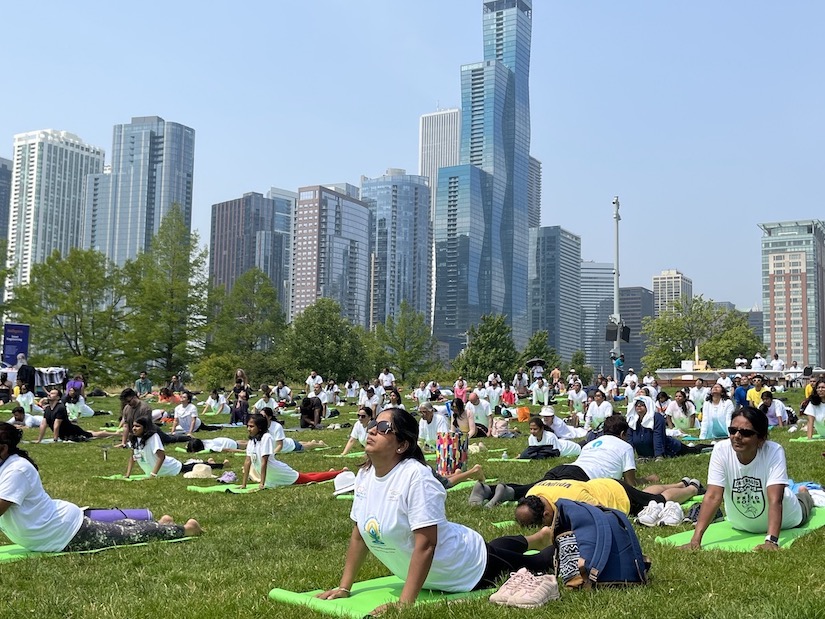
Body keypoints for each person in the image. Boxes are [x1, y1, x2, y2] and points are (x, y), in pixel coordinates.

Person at [315, 408, 559, 614]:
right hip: (451, 556)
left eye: (383, 427)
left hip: (465, 568)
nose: (371, 430)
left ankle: (560, 542)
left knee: (539, 562)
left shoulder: (416, 477)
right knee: (495, 547)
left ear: (402, 445)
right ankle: (534, 538)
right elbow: (360, 534)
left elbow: (426, 545)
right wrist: (344, 587)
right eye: (373, 424)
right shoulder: (365, 475)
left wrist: (404, 604)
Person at [0, 423, 202, 551]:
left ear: (3, 449)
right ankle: (163, 525)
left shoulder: (17, 470)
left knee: (127, 536)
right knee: (119, 529)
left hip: (63, 531)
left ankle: (185, 530)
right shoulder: (8, 465)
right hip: (51, 530)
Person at [681, 407, 814, 551]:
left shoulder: (774, 451)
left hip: (789, 519)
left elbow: (775, 499)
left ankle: (805, 493)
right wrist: (695, 541)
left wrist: (771, 541)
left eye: (745, 433)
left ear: (761, 439)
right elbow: (713, 496)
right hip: (740, 524)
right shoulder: (720, 450)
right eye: (732, 430)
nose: (737, 436)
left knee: (804, 500)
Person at [473, 416, 661, 508]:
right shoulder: (625, 446)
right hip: (582, 478)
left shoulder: (593, 442)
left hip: (568, 468)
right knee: (544, 498)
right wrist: (647, 479)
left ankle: (491, 489)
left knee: (537, 486)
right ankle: (502, 492)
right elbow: (631, 483)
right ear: (622, 434)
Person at [515, 476, 702, 527]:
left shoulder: (575, 499)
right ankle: (680, 482)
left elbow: (604, 515)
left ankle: (691, 488)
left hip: (617, 495)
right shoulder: (534, 491)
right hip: (601, 484)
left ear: (547, 514)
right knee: (644, 494)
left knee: (658, 500)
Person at [240, 414, 343, 490]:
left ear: (260, 427)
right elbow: (247, 461)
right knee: (306, 476)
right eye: (248, 426)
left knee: (308, 478)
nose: (249, 429)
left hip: (279, 472)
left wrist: (261, 484)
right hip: (271, 476)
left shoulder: (266, 437)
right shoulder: (251, 440)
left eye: (251, 426)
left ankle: (340, 472)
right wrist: (244, 484)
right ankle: (332, 472)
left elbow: (264, 462)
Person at [626, 396, 710, 460]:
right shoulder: (633, 420)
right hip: (647, 454)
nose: (639, 407)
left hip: (671, 448)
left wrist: (659, 456)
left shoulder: (657, 418)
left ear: (648, 406)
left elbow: (658, 436)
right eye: (637, 405)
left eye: (642, 405)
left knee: (693, 450)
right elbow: (630, 439)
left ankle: (710, 447)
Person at [36, 389, 115, 443]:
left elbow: (57, 425)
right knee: (89, 433)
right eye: (50, 392)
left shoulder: (60, 407)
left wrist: (55, 440)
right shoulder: (47, 409)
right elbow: (43, 425)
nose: (49, 394)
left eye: (53, 393)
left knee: (93, 435)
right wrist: (39, 440)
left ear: (58, 397)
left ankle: (116, 434)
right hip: (64, 434)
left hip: (71, 432)